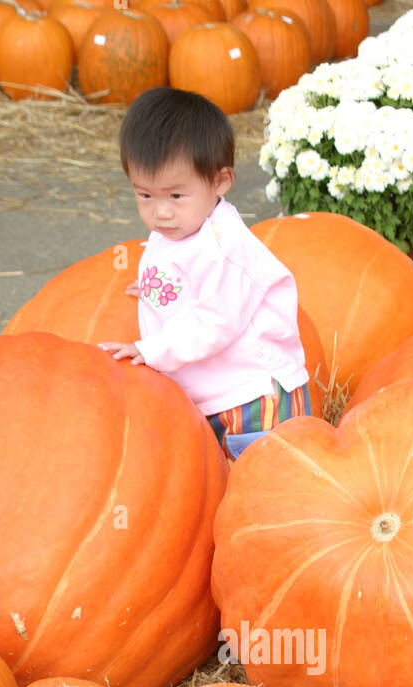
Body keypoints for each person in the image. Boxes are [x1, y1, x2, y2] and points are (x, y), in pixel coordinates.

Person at [97, 87, 312, 462]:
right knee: (215, 482)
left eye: (175, 196)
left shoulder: (226, 249)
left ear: (220, 181)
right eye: (144, 196)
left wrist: (149, 351)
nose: (160, 212)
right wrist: (155, 289)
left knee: (265, 484)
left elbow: (213, 321)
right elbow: (184, 276)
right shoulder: (181, 225)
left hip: (251, 401)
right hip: (210, 394)